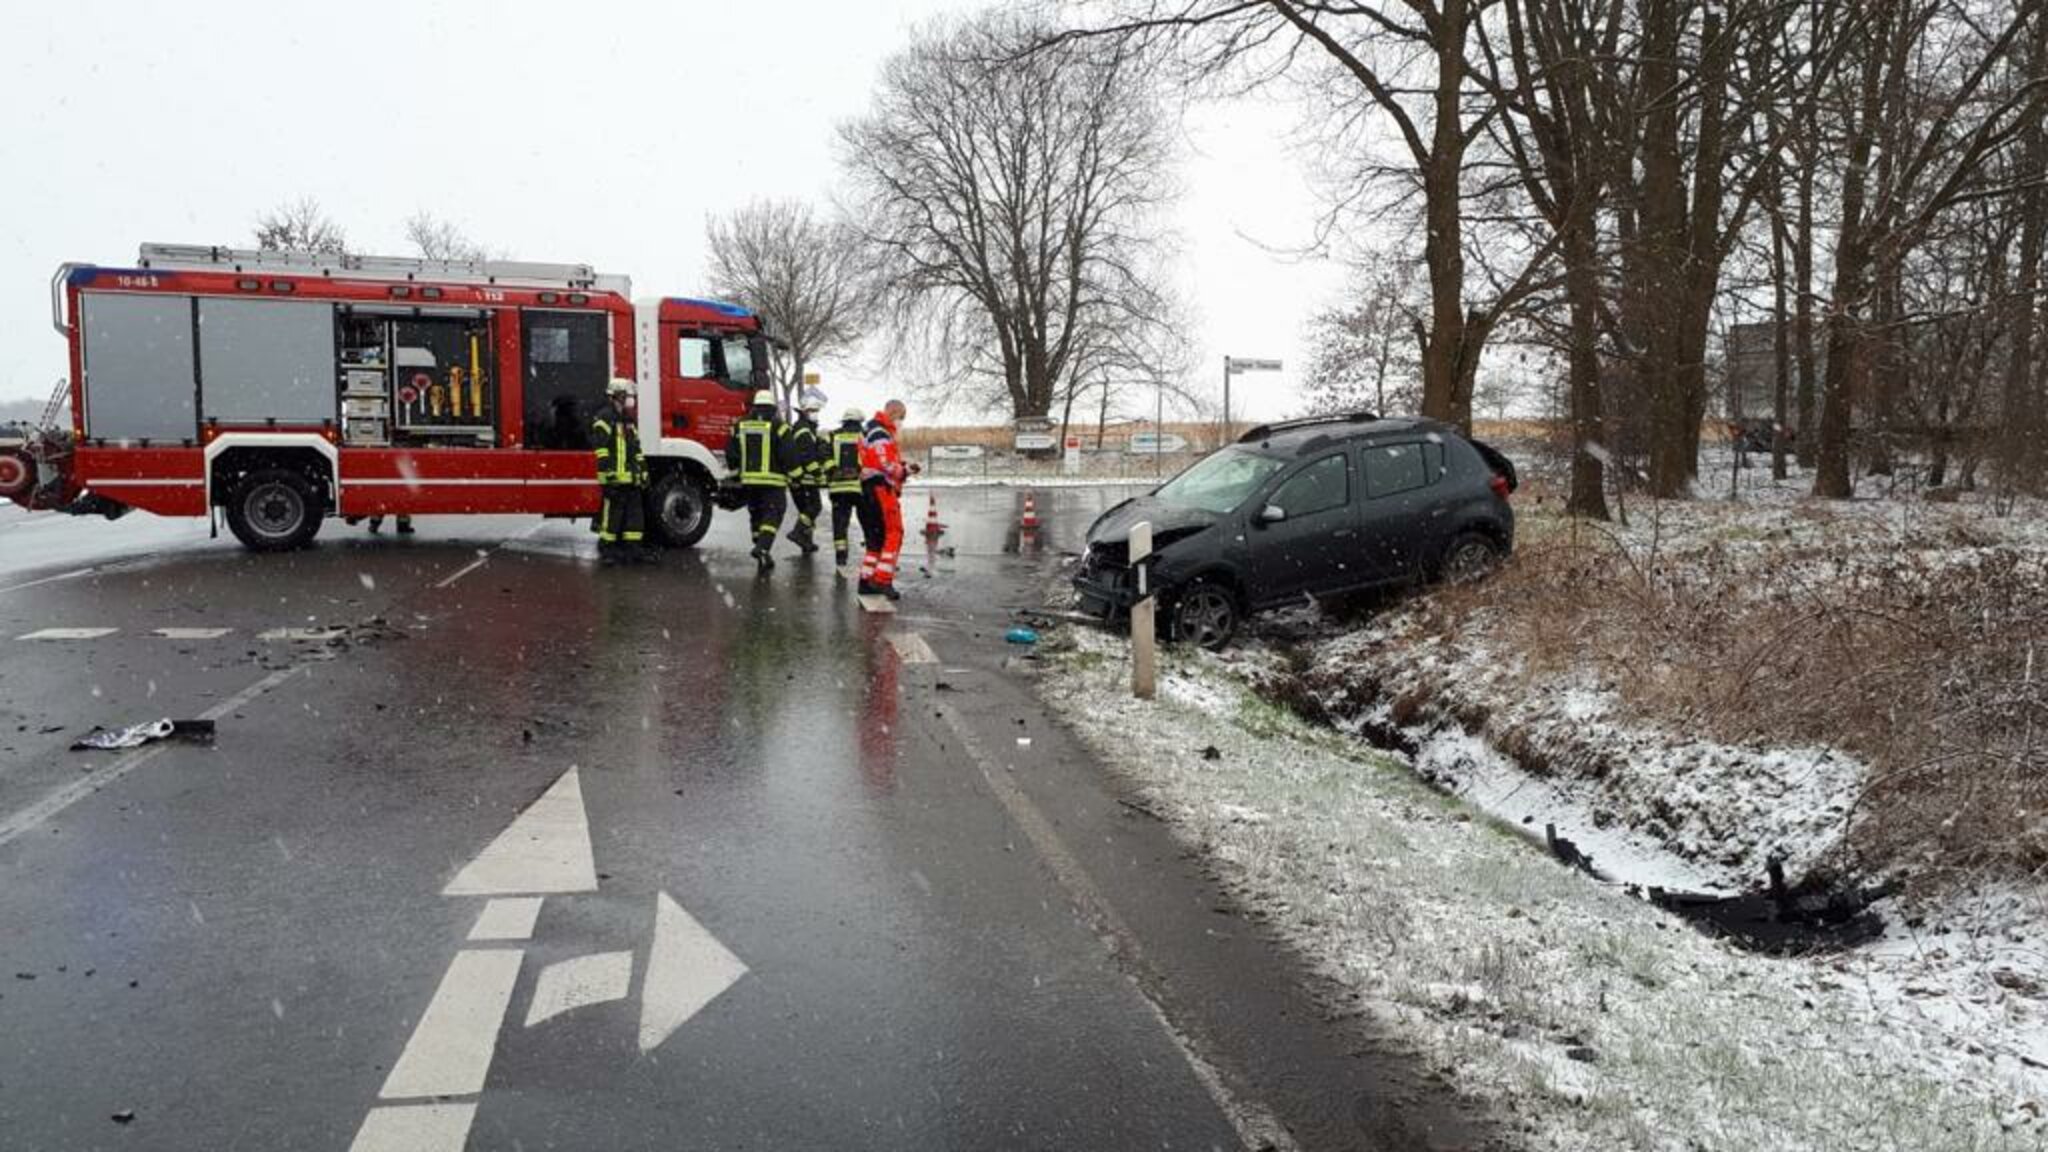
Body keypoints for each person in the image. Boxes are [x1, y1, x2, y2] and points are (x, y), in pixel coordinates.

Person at [725, 389, 791, 572]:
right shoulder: (780, 426)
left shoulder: (740, 425)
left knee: (756, 514)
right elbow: (788, 454)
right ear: (772, 406)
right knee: (774, 513)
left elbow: (731, 450)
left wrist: (736, 469)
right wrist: (794, 474)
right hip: (773, 482)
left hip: (749, 482)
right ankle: (762, 548)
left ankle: (761, 551)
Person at [857, 399, 916, 600]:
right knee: (894, 533)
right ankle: (882, 580)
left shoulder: (869, 430)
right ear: (893, 412)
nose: (901, 422)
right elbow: (886, 464)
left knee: (875, 540)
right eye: (901, 417)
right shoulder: (880, 433)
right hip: (881, 489)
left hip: (867, 489)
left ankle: (866, 580)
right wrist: (904, 470)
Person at [590, 377, 649, 566]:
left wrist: (643, 472)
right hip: (614, 478)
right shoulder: (604, 417)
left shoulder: (628, 420)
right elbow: (601, 449)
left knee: (634, 515)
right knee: (612, 515)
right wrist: (607, 476)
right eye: (627, 395)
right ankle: (607, 548)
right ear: (617, 396)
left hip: (631, 478)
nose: (631, 399)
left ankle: (633, 549)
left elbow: (635, 449)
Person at [827, 407, 868, 570]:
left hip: (839, 490)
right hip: (860, 488)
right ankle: (872, 553)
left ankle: (841, 557)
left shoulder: (833, 436)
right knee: (868, 522)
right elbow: (869, 460)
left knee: (840, 524)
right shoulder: (864, 436)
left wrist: (834, 471)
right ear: (859, 421)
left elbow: (825, 457)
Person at [785, 398, 826, 555]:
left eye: (816, 412)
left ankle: (806, 542)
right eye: (812, 411)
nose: (815, 414)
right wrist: (818, 474)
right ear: (804, 412)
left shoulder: (805, 428)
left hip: (800, 478)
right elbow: (807, 456)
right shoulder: (803, 430)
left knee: (805, 511)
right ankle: (797, 533)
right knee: (814, 507)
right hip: (805, 478)